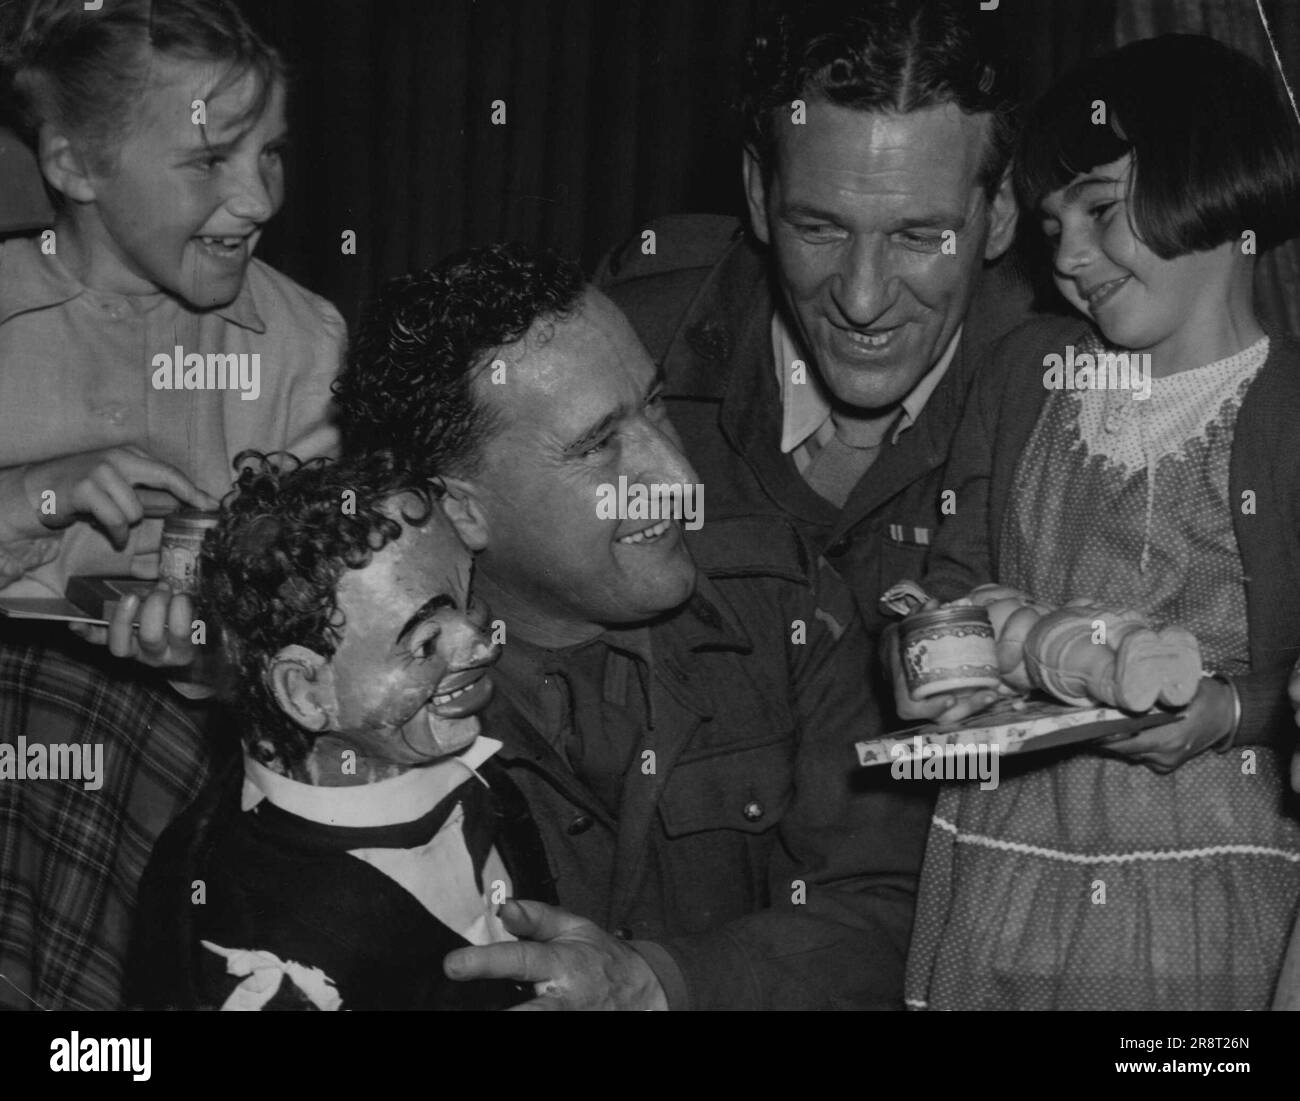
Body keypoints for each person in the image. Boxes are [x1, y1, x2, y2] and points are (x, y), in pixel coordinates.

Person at [333, 243, 930, 1010]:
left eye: (654, 405)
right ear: (461, 510)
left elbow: (892, 910)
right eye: (599, 445)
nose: (681, 481)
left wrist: (664, 984)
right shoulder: (374, 705)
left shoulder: (783, 603)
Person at [888, 34, 1300, 1010]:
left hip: (1209, 880)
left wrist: (1230, 711)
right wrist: (926, 660)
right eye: (1047, 224)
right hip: (1005, 865)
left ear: (1213, 177)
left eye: (1101, 211)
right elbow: (951, 574)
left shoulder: (1287, 407)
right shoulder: (1024, 372)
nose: (1067, 256)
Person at [0, 0, 342, 1009]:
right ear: (72, 166)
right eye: (207, 163)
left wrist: (211, 653)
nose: (256, 201)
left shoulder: (301, 348)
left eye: (269, 155)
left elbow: (331, 646)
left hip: (182, 807)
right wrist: (37, 492)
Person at [598, 0, 1029, 642]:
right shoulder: (621, 352)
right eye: (818, 228)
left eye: (916, 238)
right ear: (757, 192)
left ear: (997, 213)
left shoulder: (1070, 404)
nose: (860, 300)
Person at [127, 451, 553, 1011]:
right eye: (425, 641)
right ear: (307, 692)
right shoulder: (247, 928)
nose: (483, 643)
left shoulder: (471, 765)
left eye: (469, 602)